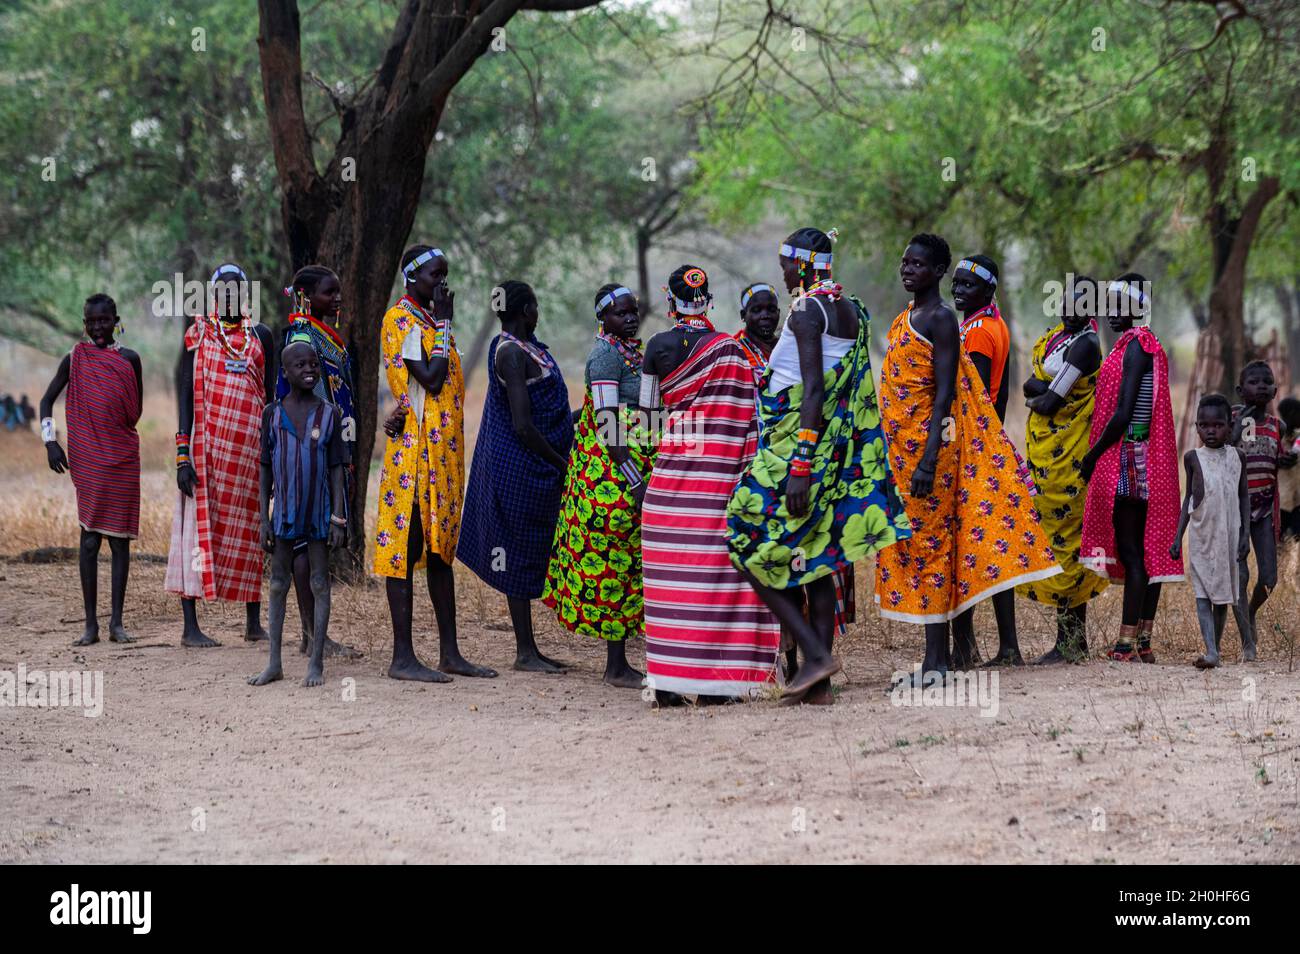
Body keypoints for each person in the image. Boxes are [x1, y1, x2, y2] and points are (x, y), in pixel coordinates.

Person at [728, 227, 912, 703]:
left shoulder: (808, 310)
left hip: (798, 450)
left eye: (787, 263)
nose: (782, 272)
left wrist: (801, 464)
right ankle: (819, 686)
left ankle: (814, 653)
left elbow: (813, 390)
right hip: (831, 453)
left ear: (805, 265)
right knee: (813, 556)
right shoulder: (853, 310)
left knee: (742, 534)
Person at [874, 234, 1060, 687]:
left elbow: (943, 396)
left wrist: (929, 459)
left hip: (929, 454)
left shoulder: (939, 320)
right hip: (903, 454)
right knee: (919, 545)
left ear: (937, 271)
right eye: (904, 262)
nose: (907, 270)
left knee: (934, 546)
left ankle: (937, 661)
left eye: (918, 264)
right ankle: (940, 655)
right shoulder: (906, 319)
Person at [640, 266, 779, 704]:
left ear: (670, 302)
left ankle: (666, 686)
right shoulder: (731, 353)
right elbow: (749, 423)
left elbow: (645, 421)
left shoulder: (657, 348)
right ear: (709, 302)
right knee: (714, 584)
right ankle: (718, 685)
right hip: (719, 489)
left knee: (670, 589)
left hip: (668, 490)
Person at [374, 245, 495, 682]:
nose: (442, 285)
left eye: (445, 276)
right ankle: (402, 657)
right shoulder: (400, 320)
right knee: (406, 546)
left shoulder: (429, 321)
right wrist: (444, 322)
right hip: (414, 452)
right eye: (434, 276)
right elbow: (430, 377)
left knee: (442, 548)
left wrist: (441, 323)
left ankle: (450, 653)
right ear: (411, 278)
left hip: (442, 453)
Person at [277, 265, 404, 659]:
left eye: (338, 292)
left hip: (327, 450)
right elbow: (300, 399)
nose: (337, 299)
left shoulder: (318, 333)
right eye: (329, 293)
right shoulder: (302, 336)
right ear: (305, 295)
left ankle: (313, 635)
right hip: (310, 453)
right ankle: (312, 636)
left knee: (315, 541)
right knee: (304, 543)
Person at [542, 283, 656, 688]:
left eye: (633, 311)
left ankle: (622, 662)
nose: (629, 317)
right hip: (609, 473)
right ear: (602, 319)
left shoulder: (632, 353)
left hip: (629, 462)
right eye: (620, 313)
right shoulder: (606, 356)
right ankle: (615, 666)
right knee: (613, 561)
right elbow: (608, 424)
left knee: (626, 562)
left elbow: (646, 412)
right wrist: (636, 481)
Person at [459, 281, 573, 673]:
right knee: (517, 550)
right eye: (535, 307)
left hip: (532, 460)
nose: (537, 313)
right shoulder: (509, 353)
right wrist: (561, 463)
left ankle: (532, 650)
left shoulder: (528, 349)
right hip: (519, 465)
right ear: (527, 310)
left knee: (527, 549)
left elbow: (546, 412)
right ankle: (525, 651)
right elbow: (524, 426)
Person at [164, 263, 275, 646]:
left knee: (251, 532)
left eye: (236, 291)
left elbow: (272, 400)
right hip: (207, 453)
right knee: (196, 532)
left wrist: (273, 454)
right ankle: (190, 627)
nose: (230, 297)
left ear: (245, 295)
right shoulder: (198, 335)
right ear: (214, 295)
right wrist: (182, 454)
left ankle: (253, 622)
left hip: (248, 455)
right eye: (222, 291)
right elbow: (185, 394)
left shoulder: (260, 336)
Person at [1080, 274, 1183, 661]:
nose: (1108, 312)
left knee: (1133, 550)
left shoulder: (1137, 346)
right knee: (1147, 551)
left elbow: (1123, 414)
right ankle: (1143, 642)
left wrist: (1092, 458)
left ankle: (1125, 644)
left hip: (1130, 461)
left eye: (1116, 305)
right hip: (1145, 460)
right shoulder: (1144, 344)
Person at [40, 293, 142, 646]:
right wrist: (50, 441)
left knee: (120, 542)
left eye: (104, 320)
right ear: (84, 324)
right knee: (89, 540)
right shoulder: (75, 359)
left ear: (116, 320)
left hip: (123, 457)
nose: (98, 327)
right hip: (89, 459)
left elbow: (135, 411)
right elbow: (45, 400)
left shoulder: (130, 360)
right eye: (91, 322)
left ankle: (116, 623)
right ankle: (90, 625)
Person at [1018, 275, 1109, 662]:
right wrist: (1040, 389)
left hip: (1071, 452)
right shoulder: (1058, 337)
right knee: (1054, 537)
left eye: (1081, 305)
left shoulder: (1086, 343)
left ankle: (1072, 641)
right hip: (1045, 453)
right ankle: (1068, 641)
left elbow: (1050, 400)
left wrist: (1042, 389)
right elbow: (1029, 387)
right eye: (1068, 303)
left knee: (1069, 541)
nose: (1072, 310)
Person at [249, 332, 349, 687]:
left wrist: (339, 516)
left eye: (313, 364)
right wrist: (264, 517)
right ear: (285, 373)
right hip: (285, 513)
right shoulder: (271, 414)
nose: (309, 369)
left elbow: (337, 467)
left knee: (320, 582)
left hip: (319, 513)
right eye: (299, 365)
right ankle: (274, 662)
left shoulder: (330, 413)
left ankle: (316, 662)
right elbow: (263, 467)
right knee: (277, 583)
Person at [950, 253, 1022, 666]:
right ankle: (1004, 645)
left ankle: (966, 648)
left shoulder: (976, 332)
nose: (958, 290)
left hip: (971, 448)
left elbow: (972, 397)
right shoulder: (993, 324)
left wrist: (969, 443)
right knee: (992, 545)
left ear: (989, 290)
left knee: (967, 548)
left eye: (967, 285)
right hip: (988, 442)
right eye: (956, 283)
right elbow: (1001, 396)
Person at [1170, 394, 1249, 669]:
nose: (1210, 431)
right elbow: (1188, 500)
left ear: (1230, 426)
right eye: (1204, 426)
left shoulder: (1238, 457)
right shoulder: (1192, 458)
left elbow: (1243, 497)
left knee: (1223, 595)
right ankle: (1211, 651)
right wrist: (1178, 538)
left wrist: (1244, 535)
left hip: (1229, 536)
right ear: (1197, 427)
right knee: (1202, 592)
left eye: (1217, 425)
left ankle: (1213, 648)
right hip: (1202, 536)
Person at [1230, 360, 1296, 650]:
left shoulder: (1276, 426)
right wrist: (1239, 424)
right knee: (1240, 574)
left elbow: (1275, 458)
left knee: (1269, 578)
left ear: (1275, 391)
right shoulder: (1231, 418)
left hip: (1265, 509)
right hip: (1235, 509)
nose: (1260, 386)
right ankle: (1247, 641)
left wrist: (1284, 461)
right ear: (1240, 390)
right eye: (1253, 382)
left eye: (1266, 382)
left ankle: (1251, 612)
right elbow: (1223, 452)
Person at [734, 282, 780, 385]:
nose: (765, 316)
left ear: (778, 312)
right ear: (743, 315)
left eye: (771, 309)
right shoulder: (735, 352)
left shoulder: (787, 347)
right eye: (756, 310)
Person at [1275, 396, 1300, 539]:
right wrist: (1279, 461)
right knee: (1279, 540)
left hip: (1297, 500)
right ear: (1291, 415)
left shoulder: (1298, 438)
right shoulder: (1275, 438)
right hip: (1280, 501)